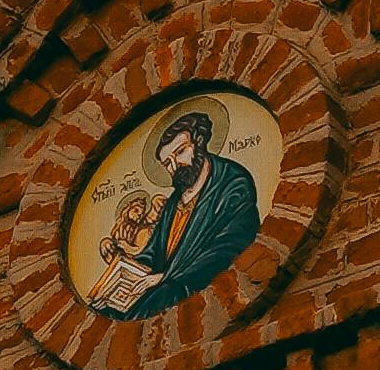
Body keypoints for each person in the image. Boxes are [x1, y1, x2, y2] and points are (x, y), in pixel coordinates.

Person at [94, 97, 260, 314]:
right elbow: (155, 253)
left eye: (180, 152)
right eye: (167, 163)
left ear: (199, 142)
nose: (174, 167)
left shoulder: (233, 183)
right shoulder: (174, 201)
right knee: (107, 308)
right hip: (166, 283)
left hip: (193, 286)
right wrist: (125, 268)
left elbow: (227, 247)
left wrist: (167, 276)